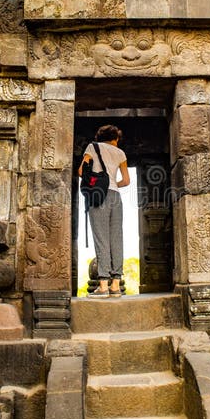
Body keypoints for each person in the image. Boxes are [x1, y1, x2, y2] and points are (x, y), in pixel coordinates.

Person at [78, 124, 130, 296]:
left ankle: (103, 286)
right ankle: (116, 285)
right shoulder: (120, 153)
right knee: (116, 237)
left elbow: (81, 171)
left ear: (101, 137)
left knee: (101, 239)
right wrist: (112, 183)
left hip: (98, 195)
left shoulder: (93, 147)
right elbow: (126, 181)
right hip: (115, 196)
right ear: (115, 138)